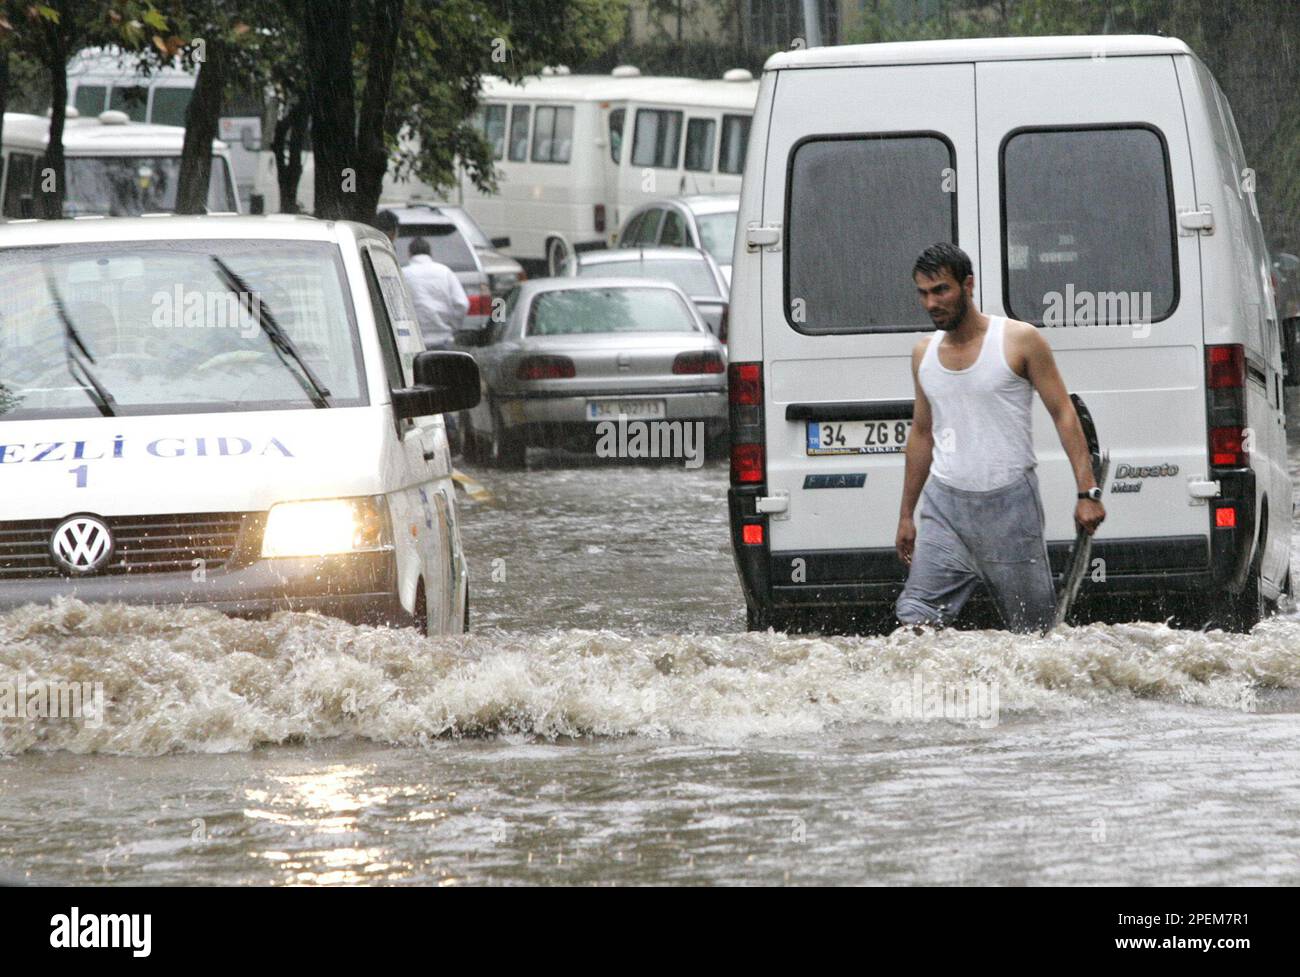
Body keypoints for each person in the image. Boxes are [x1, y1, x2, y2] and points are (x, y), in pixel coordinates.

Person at [894, 243, 1106, 634]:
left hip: (1010, 508)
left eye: (941, 290)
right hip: (945, 509)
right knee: (915, 620)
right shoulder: (923, 353)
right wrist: (907, 515)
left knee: (1034, 632)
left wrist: (1086, 490)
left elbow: (1063, 413)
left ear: (968, 285)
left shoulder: (1019, 340)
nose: (931, 303)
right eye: (923, 293)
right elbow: (922, 434)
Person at [401, 236, 468, 350]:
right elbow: (461, 303)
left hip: (414, 341)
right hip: (443, 340)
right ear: (430, 252)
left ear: (409, 253)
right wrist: (452, 326)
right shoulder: (445, 272)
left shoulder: (403, 273)